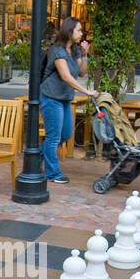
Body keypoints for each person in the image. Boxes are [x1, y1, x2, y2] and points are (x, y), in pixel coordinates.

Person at [40, 16, 97, 185]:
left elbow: (81, 73)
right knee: (53, 137)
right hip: (51, 97)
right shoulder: (57, 51)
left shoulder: (75, 51)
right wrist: (87, 92)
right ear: (69, 31)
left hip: (64, 98)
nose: (81, 34)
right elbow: (65, 76)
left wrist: (85, 54)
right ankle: (53, 173)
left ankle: (36, 155)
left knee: (66, 134)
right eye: (79, 30)